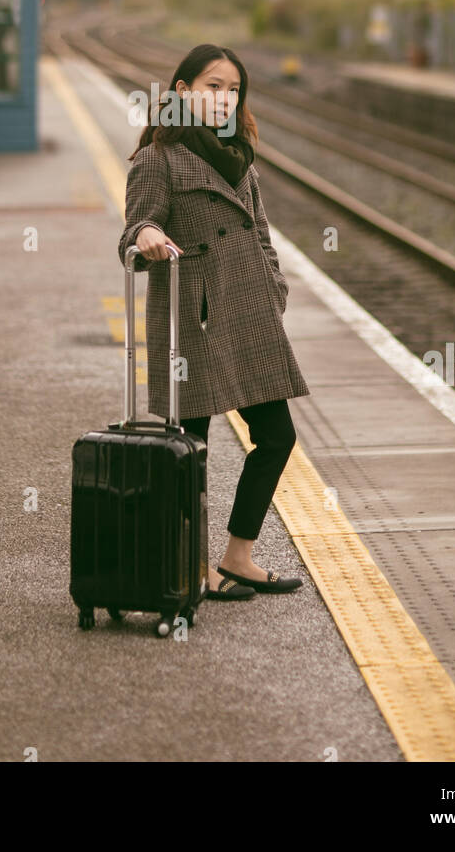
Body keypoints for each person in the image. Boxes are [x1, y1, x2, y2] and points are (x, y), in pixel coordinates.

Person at [117, 42, 311, 600]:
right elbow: (134, 229)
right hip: (194, 320)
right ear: (182, 93)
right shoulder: (158, 159)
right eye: (212, 87)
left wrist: (274, 288)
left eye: (232, 90)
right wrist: (146, 235)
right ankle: (190, 568)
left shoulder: (237, 155)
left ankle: (238, 556)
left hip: (250, 313)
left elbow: (261, 231)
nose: (224, 99)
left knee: (276, 437)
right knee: (192, 451)